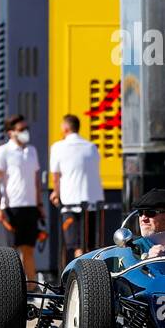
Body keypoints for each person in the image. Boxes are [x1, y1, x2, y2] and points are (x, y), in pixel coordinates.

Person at [0, 114, 43, 279]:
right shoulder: (3, 152)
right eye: (21, 129)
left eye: (26, 128)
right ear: (11, 132)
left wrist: (40, 205)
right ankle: (11, 290)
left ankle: (32, 289)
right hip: (11, 208)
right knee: (11, 252)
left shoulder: (32, 151)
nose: (25, 132)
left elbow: (36, 180)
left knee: (29, 250)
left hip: (31, 207)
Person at [48, 113, 104, 266]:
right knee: (90, 244)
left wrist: (55, 193)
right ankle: (92, 274)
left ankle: (82, 278)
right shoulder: (91, 147)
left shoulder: (58, 147)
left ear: (65, 128)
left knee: (76, 245)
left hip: (71, 202)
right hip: (93, 202)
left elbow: (56, 176)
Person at [133, 188, 165, 258]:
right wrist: (148, 261)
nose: (143, 218)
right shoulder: (129, 250)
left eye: (150, 213)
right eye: (140, 213)